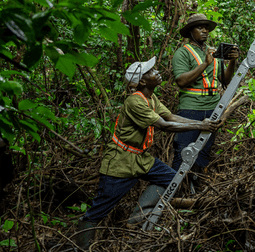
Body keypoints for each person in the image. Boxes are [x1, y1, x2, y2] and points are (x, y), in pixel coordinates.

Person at [71, 57, 222, 250]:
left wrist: (201, 123)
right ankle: (82, 247)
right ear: (142, 81)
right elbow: (164, 125)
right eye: (151, 71)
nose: (157, 72)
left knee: (171, 178)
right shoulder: (134, 101)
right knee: (98, 211)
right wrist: (200, 125)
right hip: (120, 161)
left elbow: (170, 116)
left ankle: (137, 219)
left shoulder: (150, 98)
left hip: (140, 158)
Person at [171, 13, 238, 190]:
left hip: (213, 109)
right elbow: (181, 81)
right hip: (190, 109)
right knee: (183, 151)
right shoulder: (182, 53)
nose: (205, 31)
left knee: (203, 153)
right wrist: (205, 64)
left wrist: (232, 61)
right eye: (200, 27)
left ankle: (194, 189)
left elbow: (225, 80)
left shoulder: (213, 52)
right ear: (190, 32)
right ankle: (175, 191)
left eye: (206, 28)